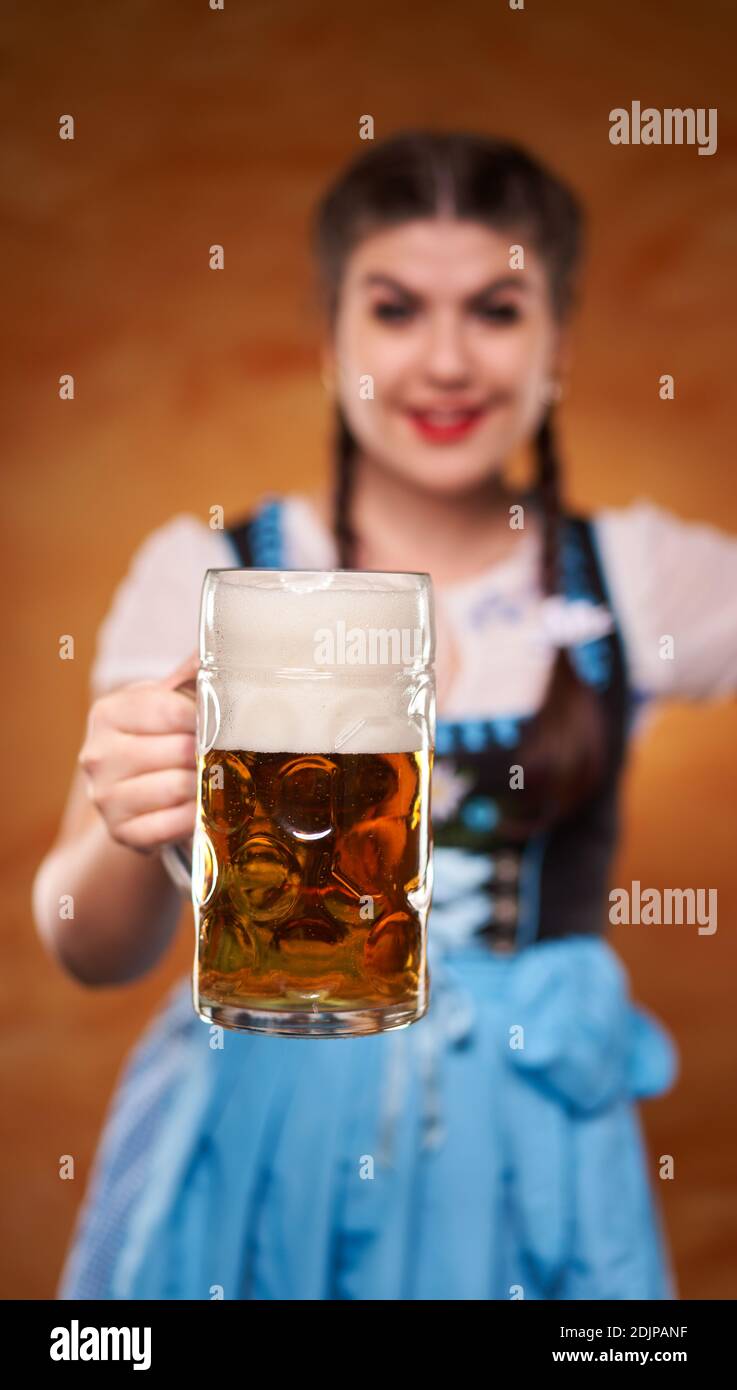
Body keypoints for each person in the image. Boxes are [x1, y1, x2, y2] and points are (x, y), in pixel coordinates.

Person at [33, 130, 737, 1301]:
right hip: (257, 1134)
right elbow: (83, 944)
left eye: (499, 310)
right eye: (397, 309)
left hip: (534, 1158)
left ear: (557, 340)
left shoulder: (637, 574)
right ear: (331, 339)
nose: (447, 361)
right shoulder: (203, 570)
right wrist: (124, 824)